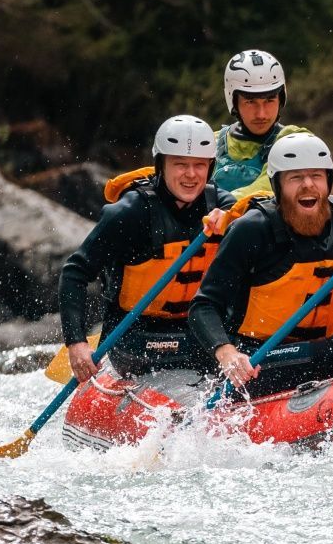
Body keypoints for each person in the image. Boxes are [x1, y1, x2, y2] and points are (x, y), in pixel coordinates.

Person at [188, 132, 333, 396]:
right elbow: (204, 305)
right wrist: (226, 352)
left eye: (316, 175)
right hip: (259, 359)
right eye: (295, 177)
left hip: (322, 351)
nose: (308, 185)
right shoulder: (251, 229)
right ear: (278, 185)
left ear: (328, 180)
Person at [58, 115, 234, 382]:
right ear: (161, 165)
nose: (191, 174)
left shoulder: (224, 208)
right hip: (134, 337)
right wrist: (76, 343)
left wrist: (234, 221)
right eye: (180, 164)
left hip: (200, 329)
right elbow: (75, 272)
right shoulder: (130, 212)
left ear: (210, 168)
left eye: (199, 165)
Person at [212, 48, 308, 198]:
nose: (261, 114)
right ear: (234, 101)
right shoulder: (209, 143)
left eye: (270, 100)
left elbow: (271, 183)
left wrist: (224, 204)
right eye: (250, 101)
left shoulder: (296, 139)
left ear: (281, 98)